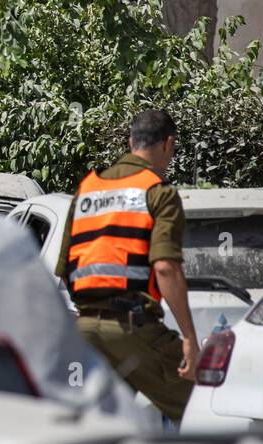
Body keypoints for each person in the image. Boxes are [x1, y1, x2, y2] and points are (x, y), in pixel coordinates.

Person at [54, 109, 197, 424]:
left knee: (103, 423)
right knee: (203, 406)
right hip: (133, 327)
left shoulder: (86, 191)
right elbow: (165, 268)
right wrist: (189, 337)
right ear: (168, 144)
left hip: (85, 329)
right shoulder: (158, 192)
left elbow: (65, 268)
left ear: (131, 141)